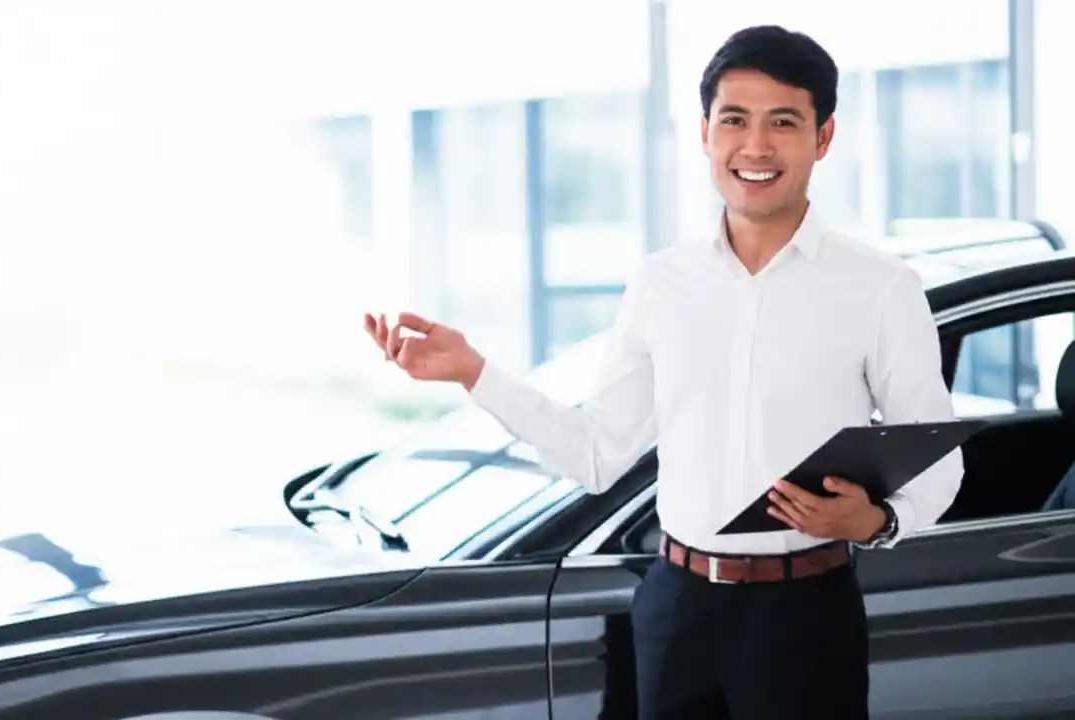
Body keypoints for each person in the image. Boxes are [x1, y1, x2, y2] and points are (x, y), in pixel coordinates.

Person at [363, 25, 962, 720]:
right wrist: (474, 372)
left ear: (823, 138)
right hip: (677, 610)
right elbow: (596, 454)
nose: (756, 147)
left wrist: (880, 520)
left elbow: (935, 456)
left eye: (784, 123)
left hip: (805, 614)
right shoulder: (661, 281)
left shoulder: (880, 287)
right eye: (734, 120)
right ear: (705, 134)